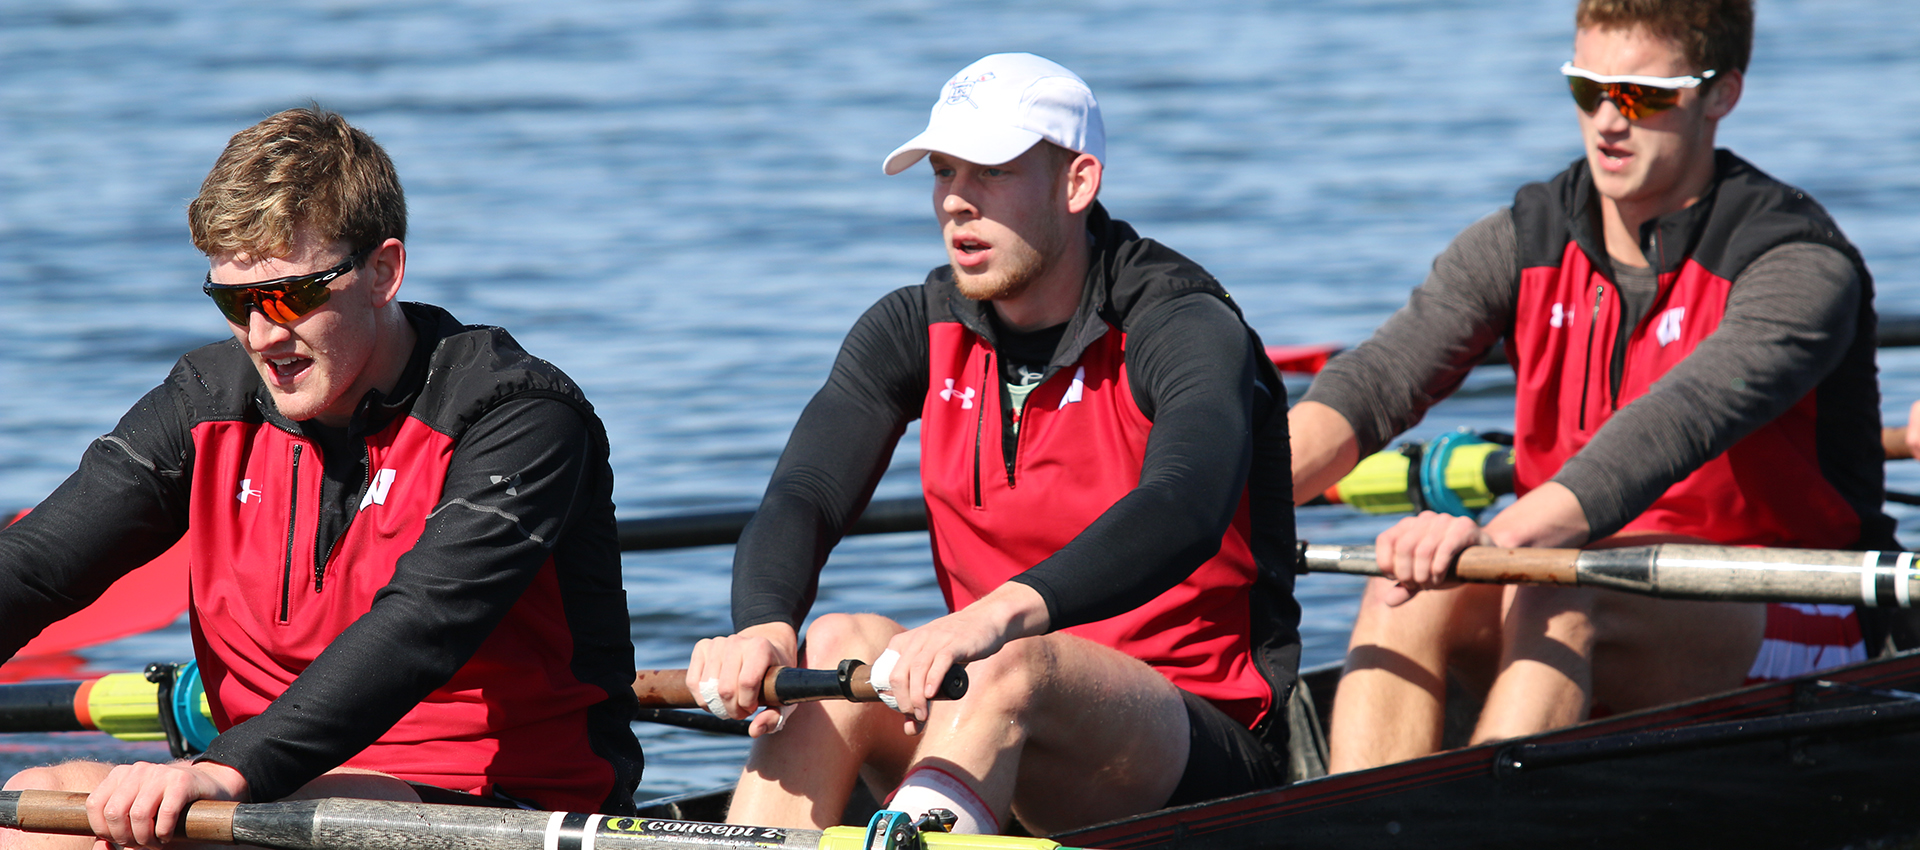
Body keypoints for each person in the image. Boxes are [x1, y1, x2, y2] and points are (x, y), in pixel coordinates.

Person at [684, 53, 1300, 834]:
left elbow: (1184, 505)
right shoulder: (912, 328)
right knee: (835, 645)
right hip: (996, 703)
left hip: (1197, 742)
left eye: (993, 172)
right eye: (943, 171)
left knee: (1009, 661)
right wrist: (762, 624)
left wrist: (997, 616)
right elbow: (804, 494)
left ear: (1077, 183)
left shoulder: (1181, 325)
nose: (956, 202)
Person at [0, 107, 644, 850]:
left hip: (497, 807)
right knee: (35, 802)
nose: (263, 335)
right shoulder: (204, 404)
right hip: (264, 790)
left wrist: (226, 770)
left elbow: (421, 625)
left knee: (164, 826)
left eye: (291, 296)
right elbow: (38, 566)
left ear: (383, 272)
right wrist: (229, 776)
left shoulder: (517, 418)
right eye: (234, 302)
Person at [1289, 0, 1893, 773]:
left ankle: (1479, 828)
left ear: (1721, 95)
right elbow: (1374, 384)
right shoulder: (1525, 237)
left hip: (1795, 607)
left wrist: (1492, 541)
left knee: (1553, 591)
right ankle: (1365, 823)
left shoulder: (1797, 266)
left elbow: (1676, 422)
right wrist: (1222, 502)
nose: (1609, 118)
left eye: (1643, 95)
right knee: (1399, 589)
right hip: (1573, 564)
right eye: (1587, 89)